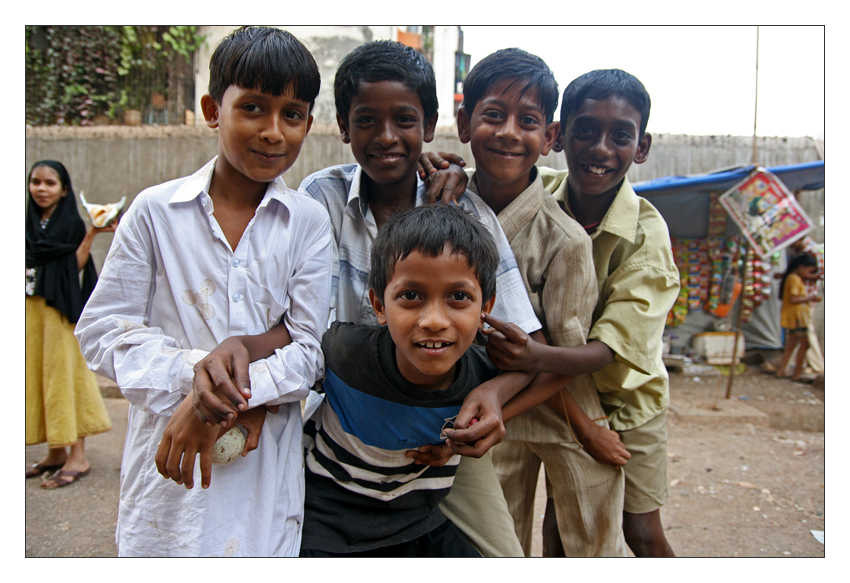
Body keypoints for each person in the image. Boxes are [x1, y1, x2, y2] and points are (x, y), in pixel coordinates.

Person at [74, 26, 333, 557]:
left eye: (292, 114)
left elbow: (310, 351)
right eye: (254, 108)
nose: (273, 131)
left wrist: (217, 399)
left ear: (308, 121)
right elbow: (102, 330)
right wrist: (196, 379)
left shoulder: (307, 222)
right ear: (214, 109)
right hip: (166, 479)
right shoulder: (154, 212)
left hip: (262, 482)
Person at [296, 40, 543, 558]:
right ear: (343, 127)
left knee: (502, 556)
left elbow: (523, 347)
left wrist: (494, 399)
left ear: (429, 127)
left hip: (437, 436)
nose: (386, 137)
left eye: (404, 120)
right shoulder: (318, 201)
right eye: (367, 121)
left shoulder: (464, 210)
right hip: (339, 437)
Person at [421, 68, 681, 557]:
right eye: (586, 131)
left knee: (635, 530)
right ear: (561, 138)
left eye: (619, 136)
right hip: (532, 383)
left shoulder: (639, 235)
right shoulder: (522, 193)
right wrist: (445, 169)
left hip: (621, 394)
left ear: (640, 147)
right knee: (523, 533)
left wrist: (585, 424)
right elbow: (499, 171)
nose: (600, 149)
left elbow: (595, 351)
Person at [452, 48, 628, 556]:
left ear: (548, 138)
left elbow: (562, 362)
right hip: (488, 413)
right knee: (495, 545)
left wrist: (586, 430)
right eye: (493, 115)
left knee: (591, 545)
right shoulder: (446, 210)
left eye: (527, 120)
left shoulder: (564, 240)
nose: (509, 132)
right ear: (464, 124)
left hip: (558, 412)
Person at [299, 204, 543, 556]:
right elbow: (290, 364)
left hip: (415, 521)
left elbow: (538, 368)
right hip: (327, 523)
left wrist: (495, 391)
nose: (433, 321)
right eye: (411, 296)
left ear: (485, 307)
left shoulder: (482, 372)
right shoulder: (344, 353)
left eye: (458, 297)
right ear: (379, 306)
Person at [26, 160, 114, 488]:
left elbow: (74, 266)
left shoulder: (71, 225)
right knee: (39, 379)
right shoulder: (26, 224)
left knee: (64, 378)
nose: (41, 189)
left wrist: (91, 233)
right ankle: (55, 451)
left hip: (58, 313)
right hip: (29, 315)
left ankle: (78, 456)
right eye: (36, 182)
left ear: (64, 190)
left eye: (50, 183)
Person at [775, 253, 821, 381]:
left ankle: (782, 370)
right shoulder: (795, 279)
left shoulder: (790, 277)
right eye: (809, 271)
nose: (809, 274)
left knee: (791, 345)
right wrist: (810, 297)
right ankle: (796, 373)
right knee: (804, 345)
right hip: (798, 317)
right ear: (801, 267)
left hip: (793, 316)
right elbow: (793, 298)